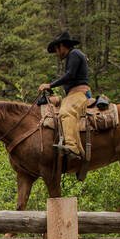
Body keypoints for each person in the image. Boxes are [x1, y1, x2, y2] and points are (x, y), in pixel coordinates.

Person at [38, 30, 91, 160]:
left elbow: (70, 75)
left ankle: (73, 147)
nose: (56, 54)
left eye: (56, 50)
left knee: (66, 112)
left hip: (79, 93)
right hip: (73, 93)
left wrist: (50, 85)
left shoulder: (74, 54)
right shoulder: (74, 55)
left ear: (62, 46)